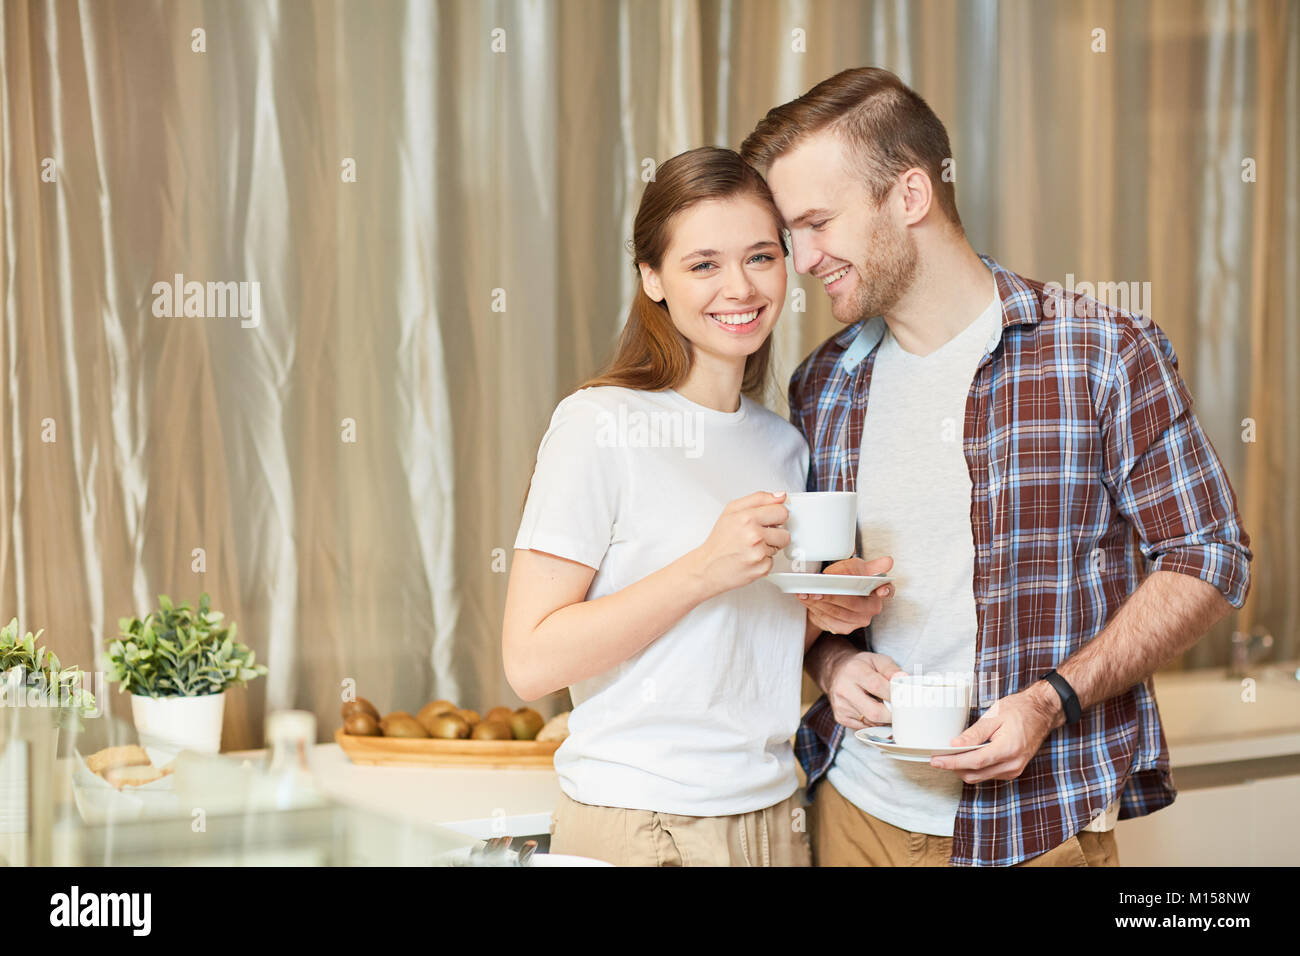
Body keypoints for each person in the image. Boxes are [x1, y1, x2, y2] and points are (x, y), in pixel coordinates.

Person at [739, 67, 1252, 867]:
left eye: (816, 223)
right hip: (851, 815)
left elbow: (1213, 555)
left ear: (910, 196)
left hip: (1036, 827)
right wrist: (832, 663)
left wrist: (1053, 701)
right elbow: (811, 592)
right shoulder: (824, 381)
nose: (800, 259)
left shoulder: (1103, 354)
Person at [502, 147, 888, 866]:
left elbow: (731, 655)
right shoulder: (599, 423)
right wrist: (701, 570)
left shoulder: (785, 446)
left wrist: (822, 617)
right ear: (653, 277)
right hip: (644, 825)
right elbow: (529, 662)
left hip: (775, 818)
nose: (739, 288)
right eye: (703, 264)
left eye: (761, 257)